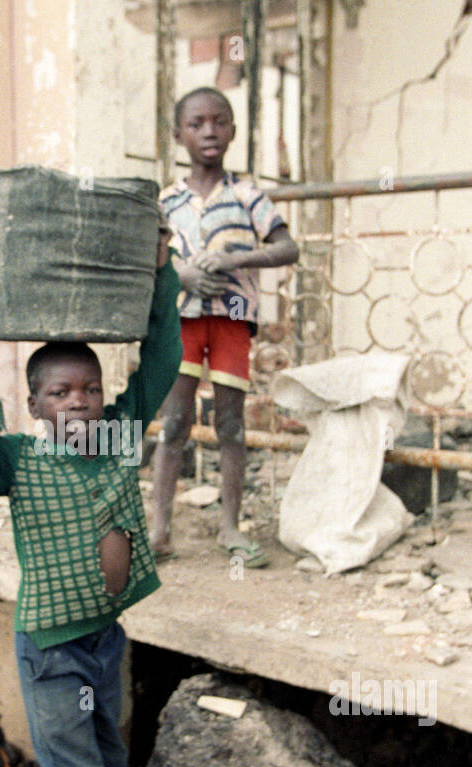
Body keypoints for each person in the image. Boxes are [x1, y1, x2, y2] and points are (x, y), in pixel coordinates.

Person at [0, 223, 179, 767]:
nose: (79, 401)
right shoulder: (19, 460)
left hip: (104, 638)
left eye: (90, 389)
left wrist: (160, 274)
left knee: (109, 762)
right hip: (51, 649)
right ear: (34, 405)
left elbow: (161, 360)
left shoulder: (119, 439)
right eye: (61, 393)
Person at [149, 85, 300, 569]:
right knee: (174, 423)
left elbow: (286, 247)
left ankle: (231, 527)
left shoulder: (248, 194)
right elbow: (149, 255)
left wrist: (240, 257)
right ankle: (159, 529)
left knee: (231, 424)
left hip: (233, 320)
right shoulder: (166, 200)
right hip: (180, 323)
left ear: (232, 130)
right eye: (196, 124)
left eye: (218, 122)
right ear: (179, 135)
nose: (208, 132)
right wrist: (181, 271)